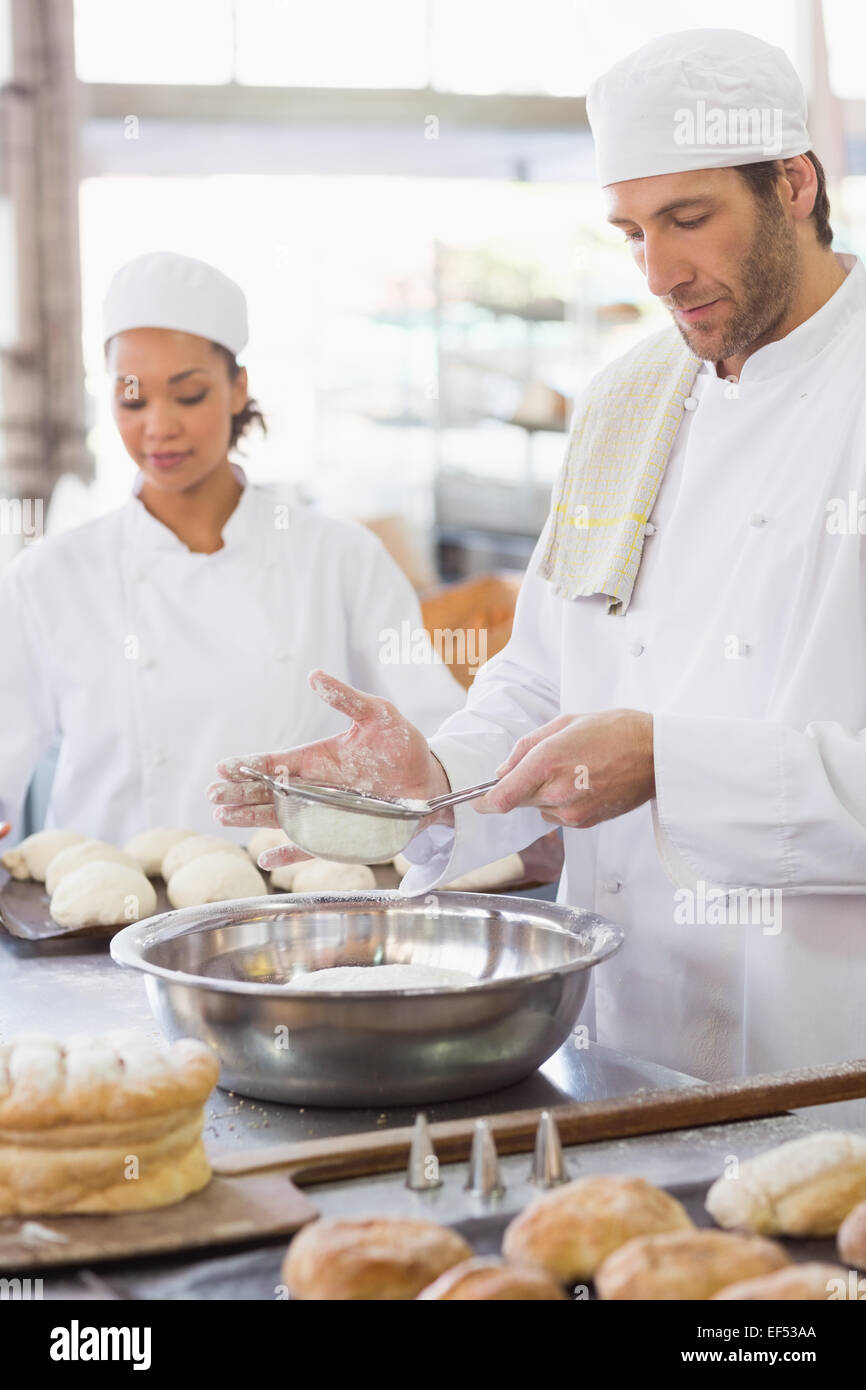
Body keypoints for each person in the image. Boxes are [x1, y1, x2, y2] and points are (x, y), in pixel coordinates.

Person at [210, 30, 866, 1089]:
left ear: (792, 183)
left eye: (687, 220)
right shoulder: (625, 400)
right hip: (622, 1026)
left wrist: (669, 763)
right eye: (629, 232)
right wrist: (428, 783)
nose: (657, 271)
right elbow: (540, 679)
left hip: (824, 1038)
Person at [0, 252, 464, 843]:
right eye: (133, 400)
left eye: (189, 395)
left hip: (296, 912)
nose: (159, 427)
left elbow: (433, 733)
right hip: (103, 921)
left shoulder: (340, 558)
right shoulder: (48, 577)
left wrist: (480, 811)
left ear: (238, 388)